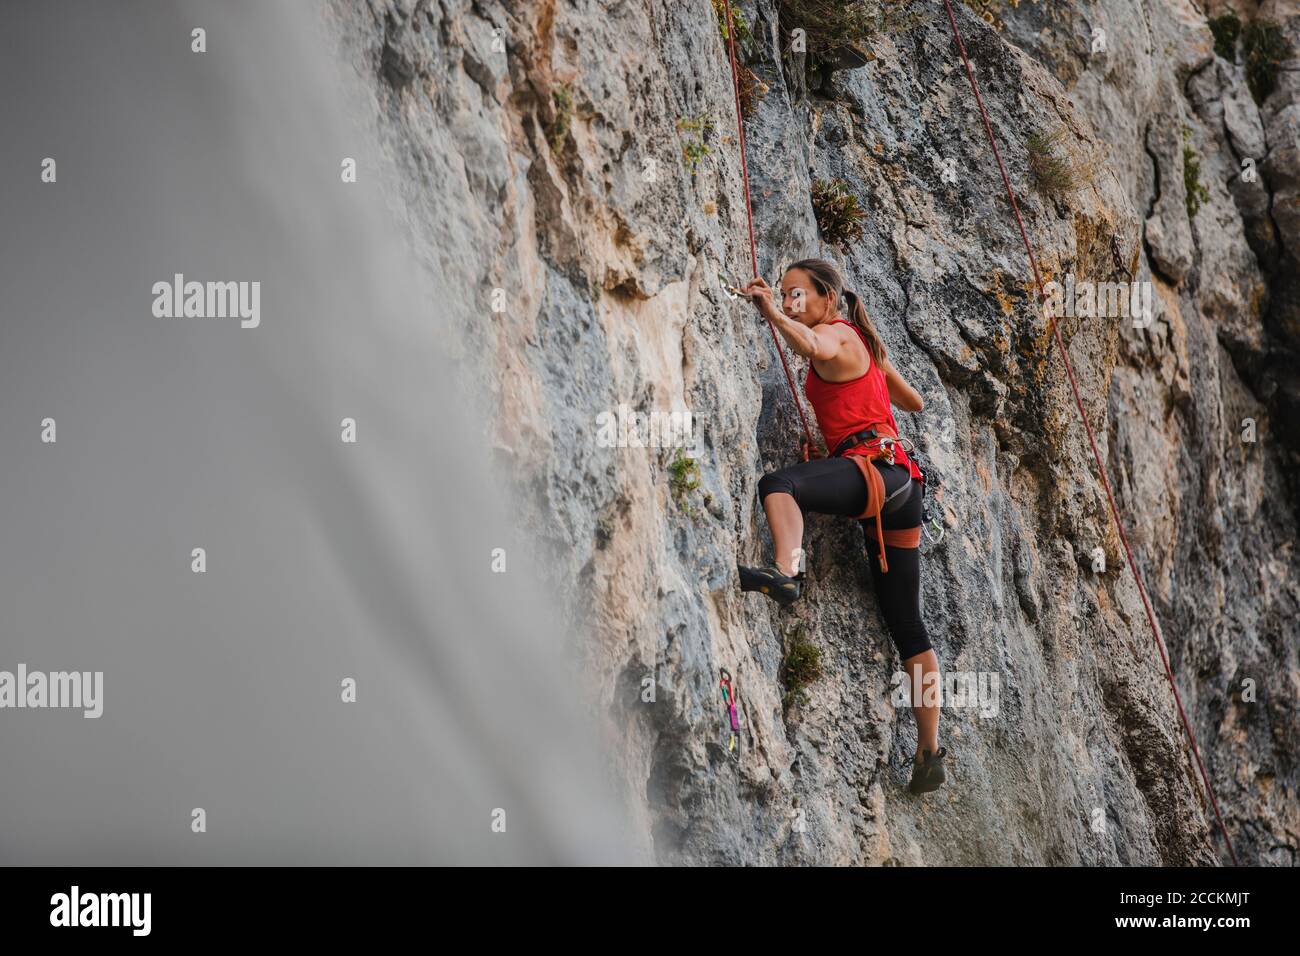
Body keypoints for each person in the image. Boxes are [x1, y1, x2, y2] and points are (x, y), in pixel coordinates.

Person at [736, 258, 946, 794]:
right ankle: (929, 754)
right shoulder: (864, 346)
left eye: (796, 294)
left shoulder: (833, 334)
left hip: (872, 469)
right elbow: (914, 401)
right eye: (783, 296)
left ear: (827, 298)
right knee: (907, 624)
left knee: (779, 485)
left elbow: (811, 348)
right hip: (903, 481)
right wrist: (873, 377)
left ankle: (787, 570)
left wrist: (769, 315)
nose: (789, 303)